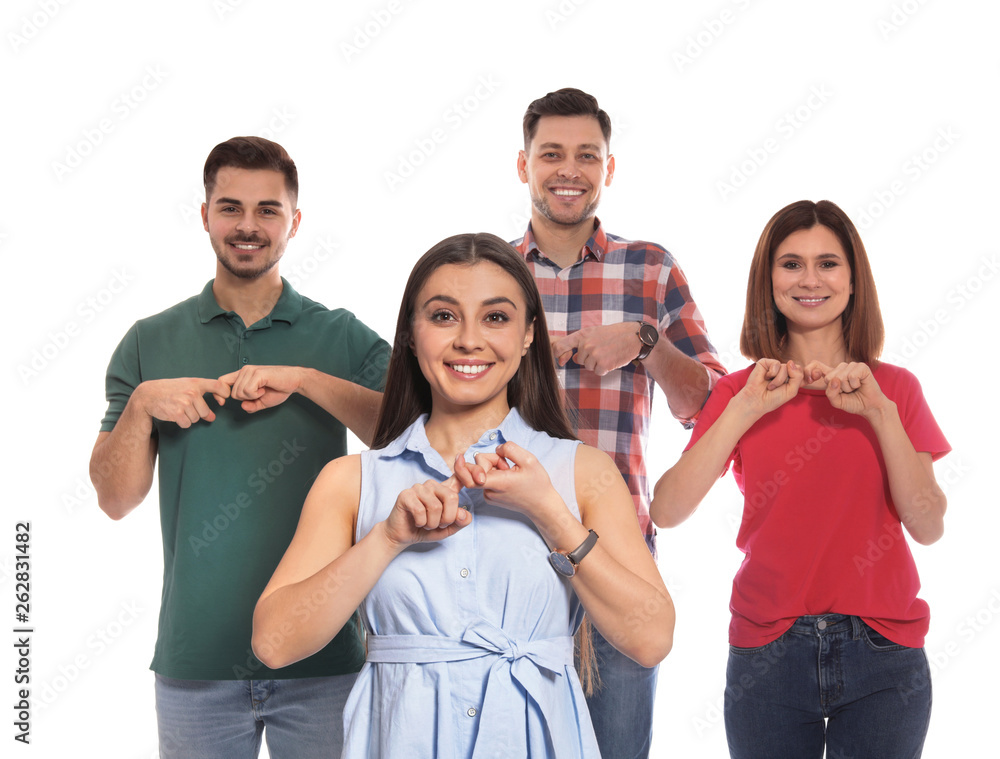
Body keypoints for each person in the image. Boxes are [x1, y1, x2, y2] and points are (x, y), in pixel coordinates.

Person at [252, 233, 674, 758]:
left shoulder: (581, 472)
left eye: (495, 317)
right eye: (444, 316)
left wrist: (550, 513)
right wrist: (387, 539)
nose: (469, 340)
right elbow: (274, 643)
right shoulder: (352, 480)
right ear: (411, 333)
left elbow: (650, 638)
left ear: (527, 336)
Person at [89, 136, 390, 758]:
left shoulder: (341, 336)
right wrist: (143, 404)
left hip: (324, 657)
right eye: (230, 208)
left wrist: (307, 381)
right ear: (204, 216)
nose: (248, 226)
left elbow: (412, 438)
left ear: (294, 222)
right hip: (196, 663)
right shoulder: (149, 342)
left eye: (268, 210)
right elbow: (115, 499)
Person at [650, 199, 949, 759]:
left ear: (853, 279)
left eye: (828, 263)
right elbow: (666, 510)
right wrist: (743, 410)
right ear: (769, 281)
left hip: (884, 650)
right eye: (791, 264)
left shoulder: (895, 389)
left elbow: (928, 523)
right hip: (768, 651)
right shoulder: (741, 392)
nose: (809, 279)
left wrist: (880, 414)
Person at [511, 87, 725, 756]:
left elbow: (709, 409)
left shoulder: (652, 269)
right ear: (524, 166)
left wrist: (644, 340)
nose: (568, 170)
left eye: (586, 155)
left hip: (619, 558)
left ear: (609, 168)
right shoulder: (486, 272)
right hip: (508, 562)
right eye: (551, 154)